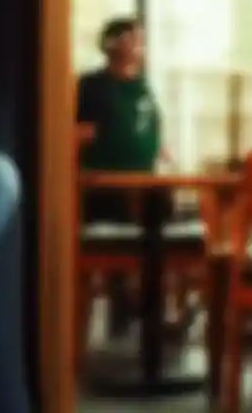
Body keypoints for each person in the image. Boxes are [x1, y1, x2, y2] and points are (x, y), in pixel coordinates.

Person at [76, 17, 164, 336]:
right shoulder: (94, 85)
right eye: (129, 38)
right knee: (133, 233)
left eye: (139, 38)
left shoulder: (143, 86)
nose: (137, 44)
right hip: (103, 187)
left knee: (163, 226)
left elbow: (150, 128)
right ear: (110, 44)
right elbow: (81, 134)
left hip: (147, 184)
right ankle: (130, 305)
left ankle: (150, 315)